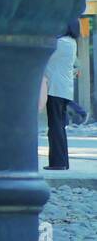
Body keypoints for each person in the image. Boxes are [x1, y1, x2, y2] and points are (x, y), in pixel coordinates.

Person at [41, 21, 80, 170]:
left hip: (55, 88)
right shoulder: (71, 42)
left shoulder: (60, 43)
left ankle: (57, 163)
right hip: (64, 89)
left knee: (55, 126)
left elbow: (43, 56)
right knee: (59, 126)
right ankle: (62, 163)